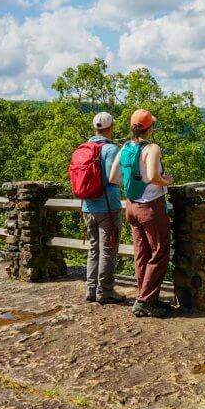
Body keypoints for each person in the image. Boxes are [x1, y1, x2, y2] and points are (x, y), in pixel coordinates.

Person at [110, 109, 174, 318]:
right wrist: (167, 182)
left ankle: (146, 296)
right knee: (159, 252)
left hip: (131, 206)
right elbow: (153, 176)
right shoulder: (152, 148)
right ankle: (145, 301)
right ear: (150, 128)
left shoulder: (125, 147)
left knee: (142, 254)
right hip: (150, 208)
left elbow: (113, 177)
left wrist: (133, 186)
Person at [81, 112, 125, 305]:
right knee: (108, 249)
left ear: (95, 127)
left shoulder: (83, 147)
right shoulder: (110, 149)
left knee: (93, 249)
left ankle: (91, 290)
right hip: (108, 207)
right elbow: (112, 177)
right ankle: (105, 291)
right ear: (111, 127)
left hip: (87, 206)